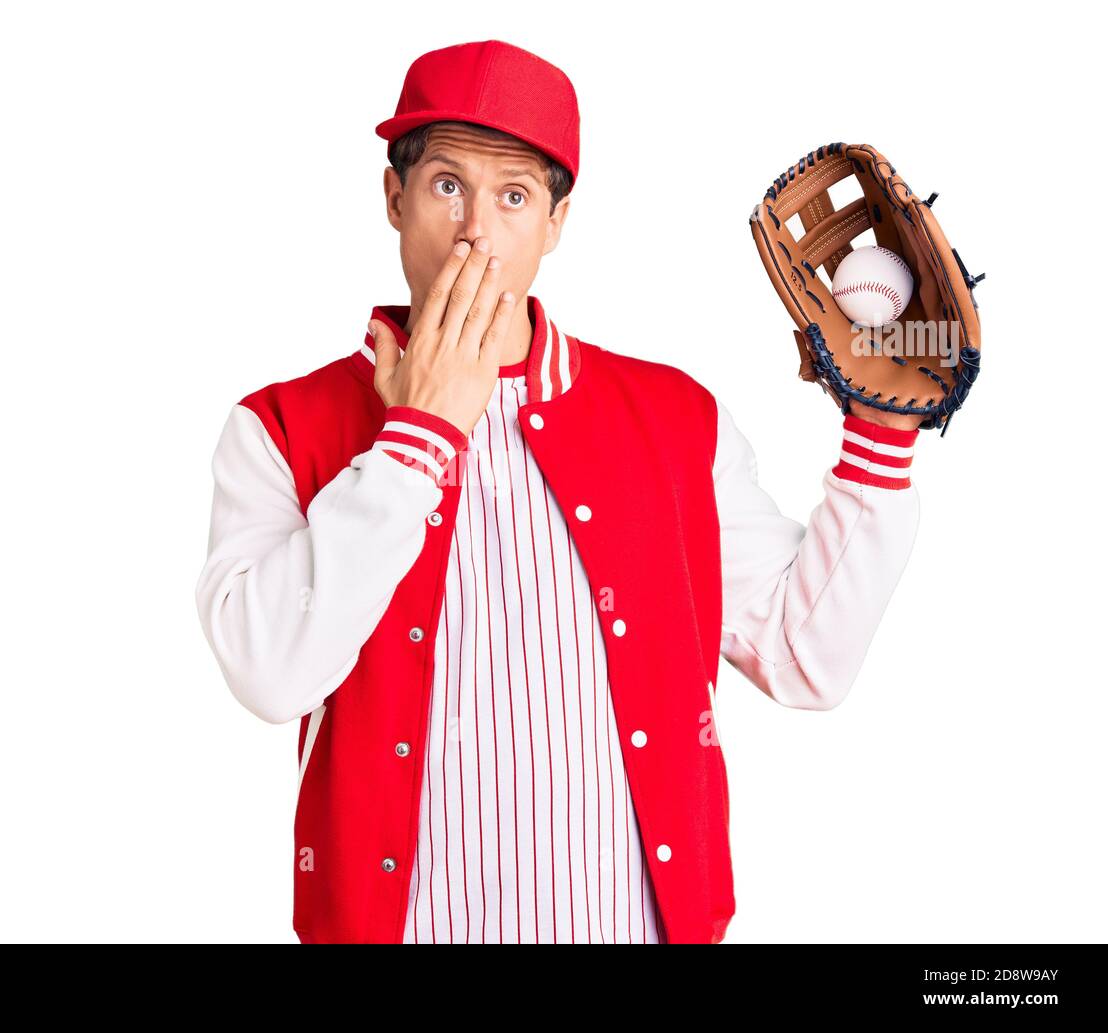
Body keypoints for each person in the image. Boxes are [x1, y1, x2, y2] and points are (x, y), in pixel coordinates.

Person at [194, 39, 921, 944]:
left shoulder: (674, 419)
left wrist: (882, 437)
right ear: (394, 199)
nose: (476, 233)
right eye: (447, 184)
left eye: (513, 196)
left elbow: (808, 656)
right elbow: (270, 674)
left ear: (556, 221)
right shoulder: (277, 428)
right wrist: (417, 438)